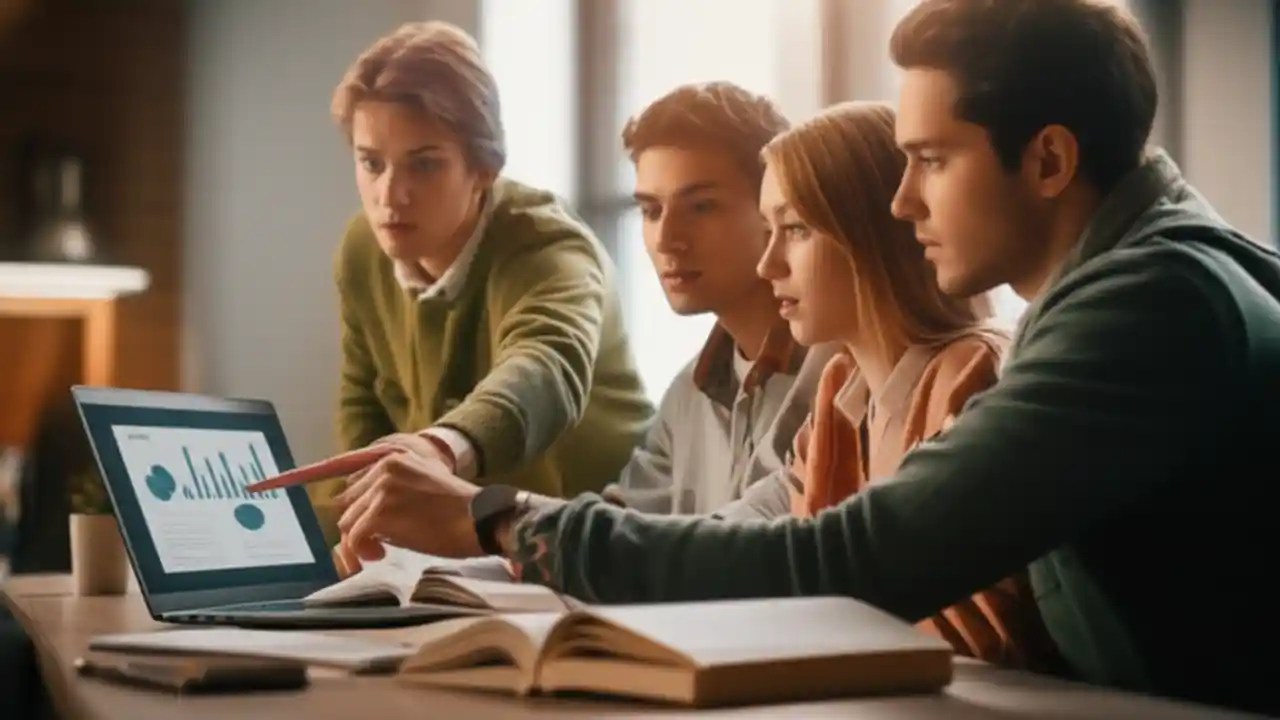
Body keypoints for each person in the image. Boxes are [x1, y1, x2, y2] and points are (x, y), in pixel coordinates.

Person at [328, 1, 1276, 713]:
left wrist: (496, 516)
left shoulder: (1150, 304)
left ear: (1050, 161)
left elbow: (860, 560)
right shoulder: (1132, 282)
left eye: (932, 160)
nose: (901, 205)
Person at [738, 101, 1059, 673]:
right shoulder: (841, 391)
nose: (767, 265)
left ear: (874, 232)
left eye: (795, 230)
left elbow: (984, 639)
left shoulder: (973, 376)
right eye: (768, 232)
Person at [314, 20, 654, 545]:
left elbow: (544, 368)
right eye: (371, 163)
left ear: (483, 169)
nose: (390, 194)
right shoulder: (363, 250)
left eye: (423, 166)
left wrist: (441, 448)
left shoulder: (546, 247)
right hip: (459, 555)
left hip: (589, 549)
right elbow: (364, 407)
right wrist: (349, 531)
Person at [600, 82, 832, 515]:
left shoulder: (835, 377)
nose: (667, 240)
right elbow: (618, 529)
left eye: (702, 207)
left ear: (773, 207)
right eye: (651, 212)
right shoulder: (689, 393)